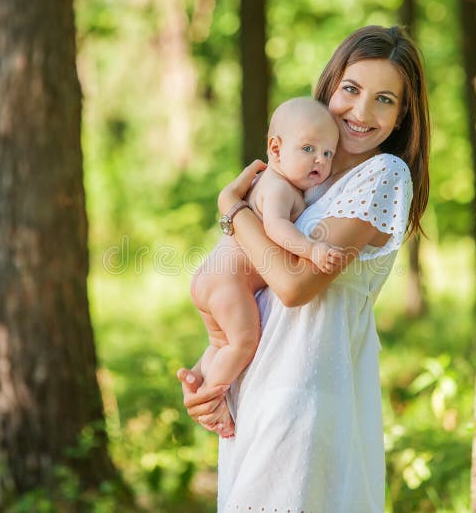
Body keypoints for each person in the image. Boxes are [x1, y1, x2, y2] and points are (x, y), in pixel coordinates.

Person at [178, 25, 430, 512]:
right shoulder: (309, 173)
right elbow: (257, 282)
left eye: (384, 100)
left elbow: (293, 286)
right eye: (351, 90)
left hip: (305, 391)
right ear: (330, 86)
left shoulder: (383, 175)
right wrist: (214, 371)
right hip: (262, 388)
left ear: (402, 118)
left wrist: (232, 209)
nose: (360, 113)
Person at [189, 97, 344, 438]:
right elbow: (274, 227)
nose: (320, 159)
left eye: (328, 153)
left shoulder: (278, 183)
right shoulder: (278, 187)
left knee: (222, 344)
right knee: (243, 344)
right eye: (308, 149)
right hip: (229, 283)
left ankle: (200, 379)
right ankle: (213, 404)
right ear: (275, 149)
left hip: (216, 281)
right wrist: (312, 250)